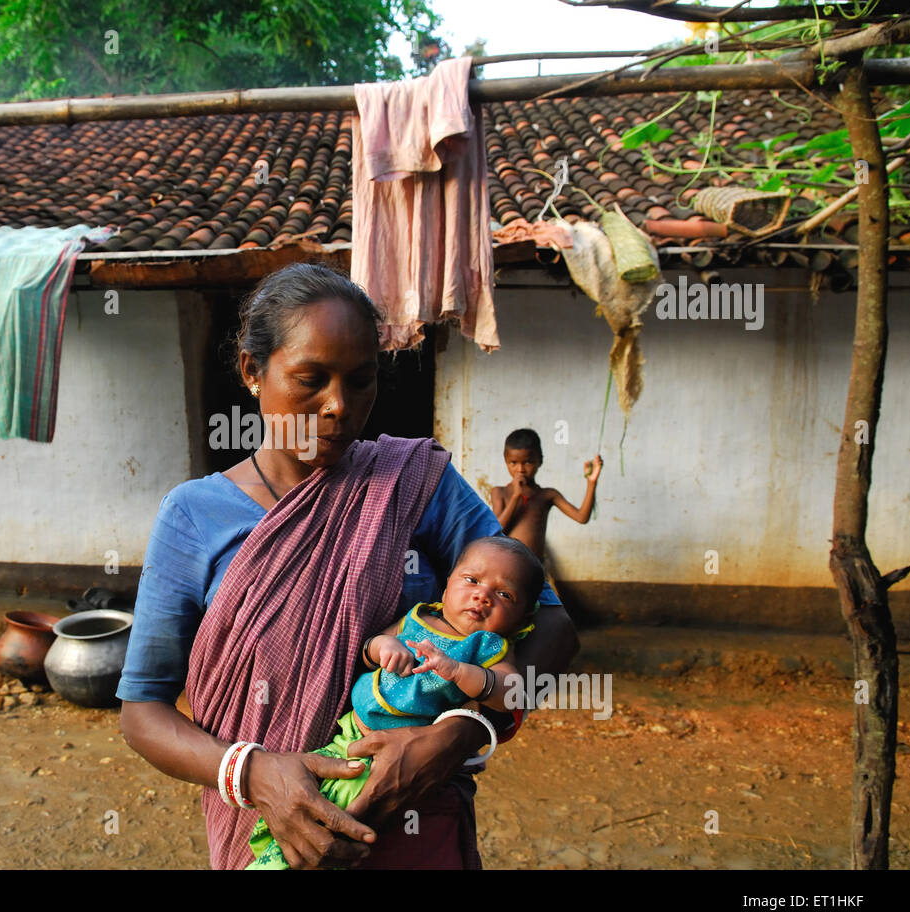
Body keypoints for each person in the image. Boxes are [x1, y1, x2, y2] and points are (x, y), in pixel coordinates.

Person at [117, 263, 580, 870]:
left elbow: (553, 627)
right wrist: (256, 773)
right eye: (310, 379)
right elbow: (144, 710)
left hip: (417, 824)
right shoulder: (193, 517)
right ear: (253, 371)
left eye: (361, 381)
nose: (339, 406)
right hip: (272, 835)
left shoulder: (414, 484)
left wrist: (456, 736)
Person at [246, 535, 543, 869]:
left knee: (341, 818)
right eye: (471, 580)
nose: (482, 595)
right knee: (303, 798)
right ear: (445, 589)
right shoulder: (417, 618)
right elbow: (370, 649)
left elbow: (512, 692)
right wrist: (382, 647)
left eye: (504, 594)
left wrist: (461, 672)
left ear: (522, 618)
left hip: (404, 756)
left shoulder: (487, 647)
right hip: (348, 736)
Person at [491, 428, 603, 562]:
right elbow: (495, 531)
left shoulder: (547, 495)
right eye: (513, 463)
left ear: (540, 461)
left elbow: (582, 517)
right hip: (506, 566)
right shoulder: (499, 492)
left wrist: (591, 482)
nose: (520, 469)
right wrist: (515, 497)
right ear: (506, 461)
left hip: (535, 569)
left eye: (528, 462)